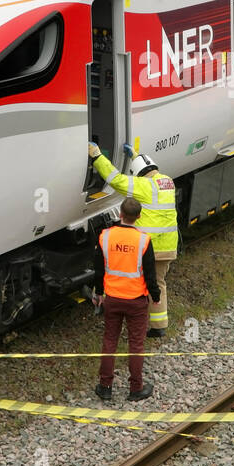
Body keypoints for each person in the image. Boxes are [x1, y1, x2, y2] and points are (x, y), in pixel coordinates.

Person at [90, 142, 178, 338]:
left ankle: (129, 320)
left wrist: (97, 156)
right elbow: (147, 170)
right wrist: (136, 156)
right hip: (169, 246)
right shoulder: (167, 182)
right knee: (159, 283)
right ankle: (158, 325)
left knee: (135, 283)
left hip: (148, 247)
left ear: (139, 173)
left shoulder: (143, 185)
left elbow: (116, 180)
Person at [91, 196, 160, 402]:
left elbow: (98, 269)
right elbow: (150, 274)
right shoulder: (143, 240)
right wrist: (155, 296)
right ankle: (136, 388)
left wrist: (99, 293)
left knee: (109, 340)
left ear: (120, 214)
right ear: (138, 217)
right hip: (136, 300)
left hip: (112, 299)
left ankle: (105, 387)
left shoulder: (105, 236)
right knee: (136, 344)